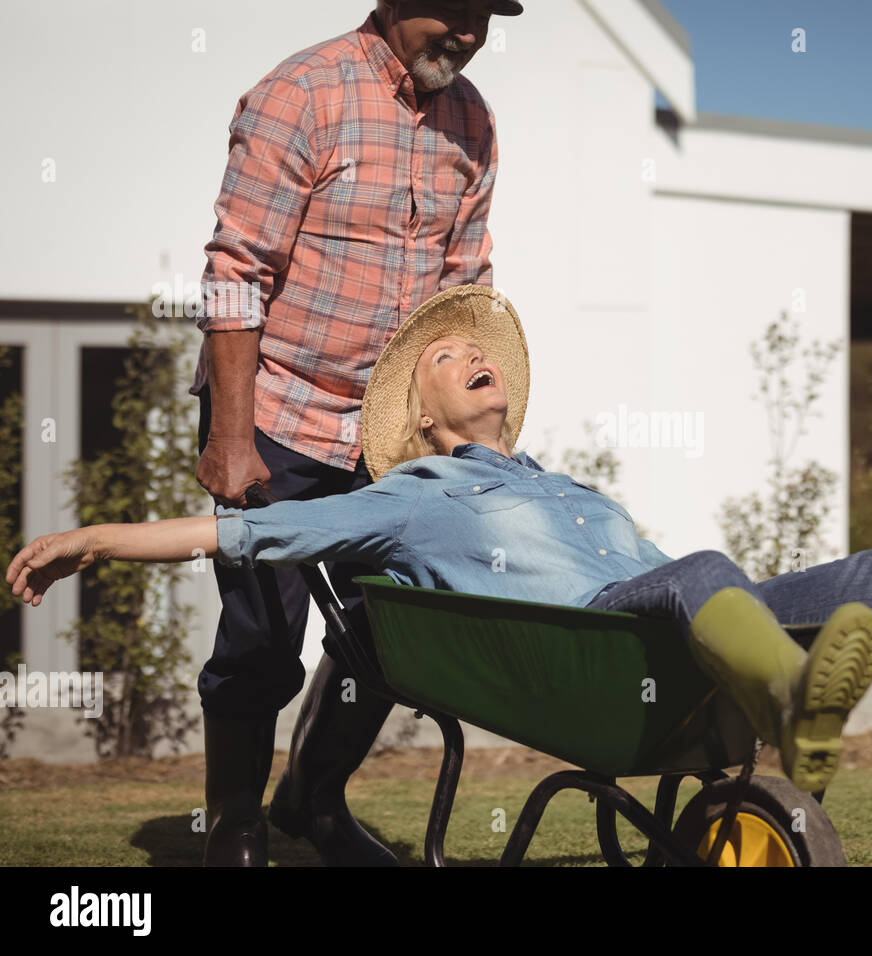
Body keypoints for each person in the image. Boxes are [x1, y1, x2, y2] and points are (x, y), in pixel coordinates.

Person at [8, 286, 872, 853]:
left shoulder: (559, 480)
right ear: (419, 413)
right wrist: (90, 537)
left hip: (682, 627)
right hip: (599, 654)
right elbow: (240, 533)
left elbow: (680, 575)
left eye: (478, 350)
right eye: (447, 355)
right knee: (702, 567)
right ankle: (794, 704)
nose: (471, 355)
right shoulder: (398, 500)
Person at [189, 0, 524, 866]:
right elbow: (237, 271)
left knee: (391, 626)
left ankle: (312, 799)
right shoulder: (303, 93)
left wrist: (468, 434)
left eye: (487, 16)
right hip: (279, 411)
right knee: (263, 632)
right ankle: (234, 820)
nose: (472, 32)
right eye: (457, 9)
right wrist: (232, 436)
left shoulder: (474, 120)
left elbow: (464, 284)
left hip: (392, 427)